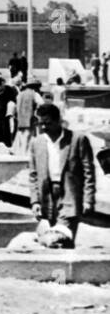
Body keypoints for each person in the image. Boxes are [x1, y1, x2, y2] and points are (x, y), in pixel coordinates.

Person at [28, 103, 96, 243]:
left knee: (61, 237)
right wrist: (35, 201)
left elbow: (89, 172)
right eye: (41, 124)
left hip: (69, 195)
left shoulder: (77, 140)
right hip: (47, 197)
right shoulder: (37, 142)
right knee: (53, 240)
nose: (44, 127)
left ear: (58, 120)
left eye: (48, 123)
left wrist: (88, 199)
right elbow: (33, 175)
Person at [13, 79, 39, 154]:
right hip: (30, 119)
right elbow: (40, 104)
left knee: (20, 137)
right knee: (28, 138)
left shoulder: (20, 94)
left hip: (20, 119)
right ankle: (25, 155)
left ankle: (19, 154)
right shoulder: (34, 94)